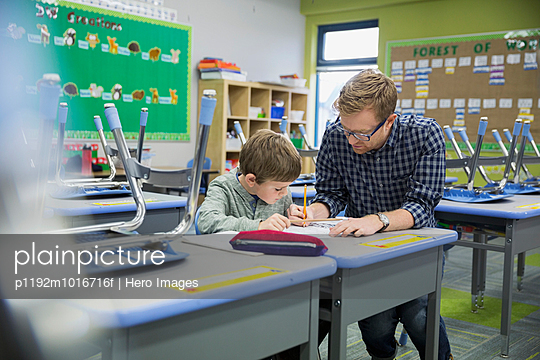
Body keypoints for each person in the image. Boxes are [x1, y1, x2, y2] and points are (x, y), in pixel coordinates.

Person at [289, 69, 453, 359]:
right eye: (346, 130)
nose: (352, 141)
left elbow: (422, 205)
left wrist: (377, 220)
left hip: (415, 243)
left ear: (389, 121)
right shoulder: (336, 135)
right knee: (376, 326)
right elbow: (332, 194)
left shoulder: (425, 134)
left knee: (418, 317)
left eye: (362, 134)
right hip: (363, 246)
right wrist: (312, 211)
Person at [197, 129, 302, 234]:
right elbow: (206, 221)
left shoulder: (280, 188)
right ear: (251, 180)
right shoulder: (223, 187)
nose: (285, 193)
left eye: (287, 186)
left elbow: (285, 224)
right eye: (278, 189)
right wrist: (258, 226)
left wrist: (292, 215)